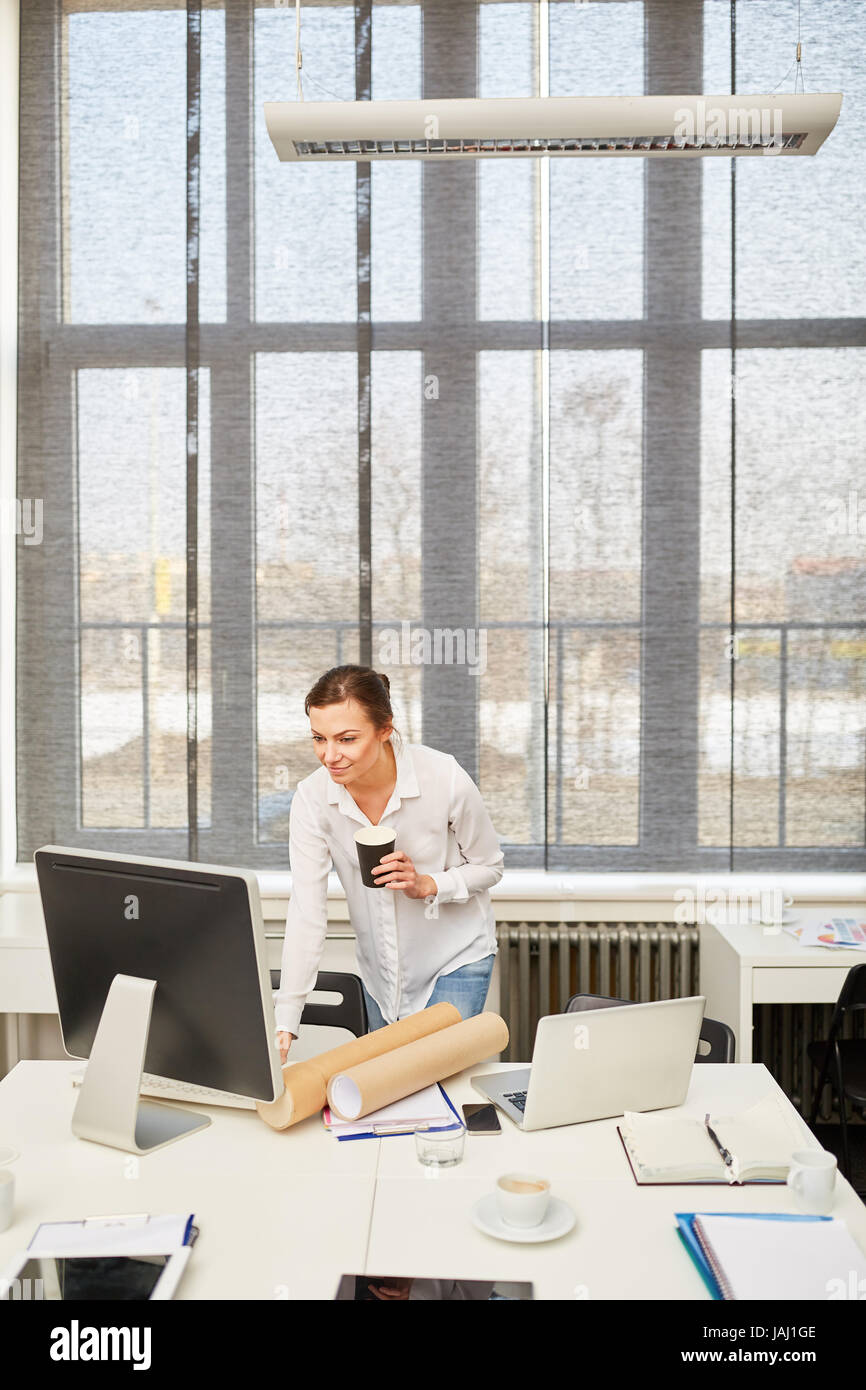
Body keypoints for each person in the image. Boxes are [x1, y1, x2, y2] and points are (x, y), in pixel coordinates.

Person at [275, 665, 504, 1062]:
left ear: (385, 729)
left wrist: (428, 884)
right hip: (380, 976)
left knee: (435, 1078)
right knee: (386, 1091)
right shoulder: (312, 799)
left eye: (347, 739)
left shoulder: (443, 777)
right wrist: (286, 1020)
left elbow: (490, 867)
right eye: (319, 738)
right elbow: (307, 912)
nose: (330, 755)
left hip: (455, 958)